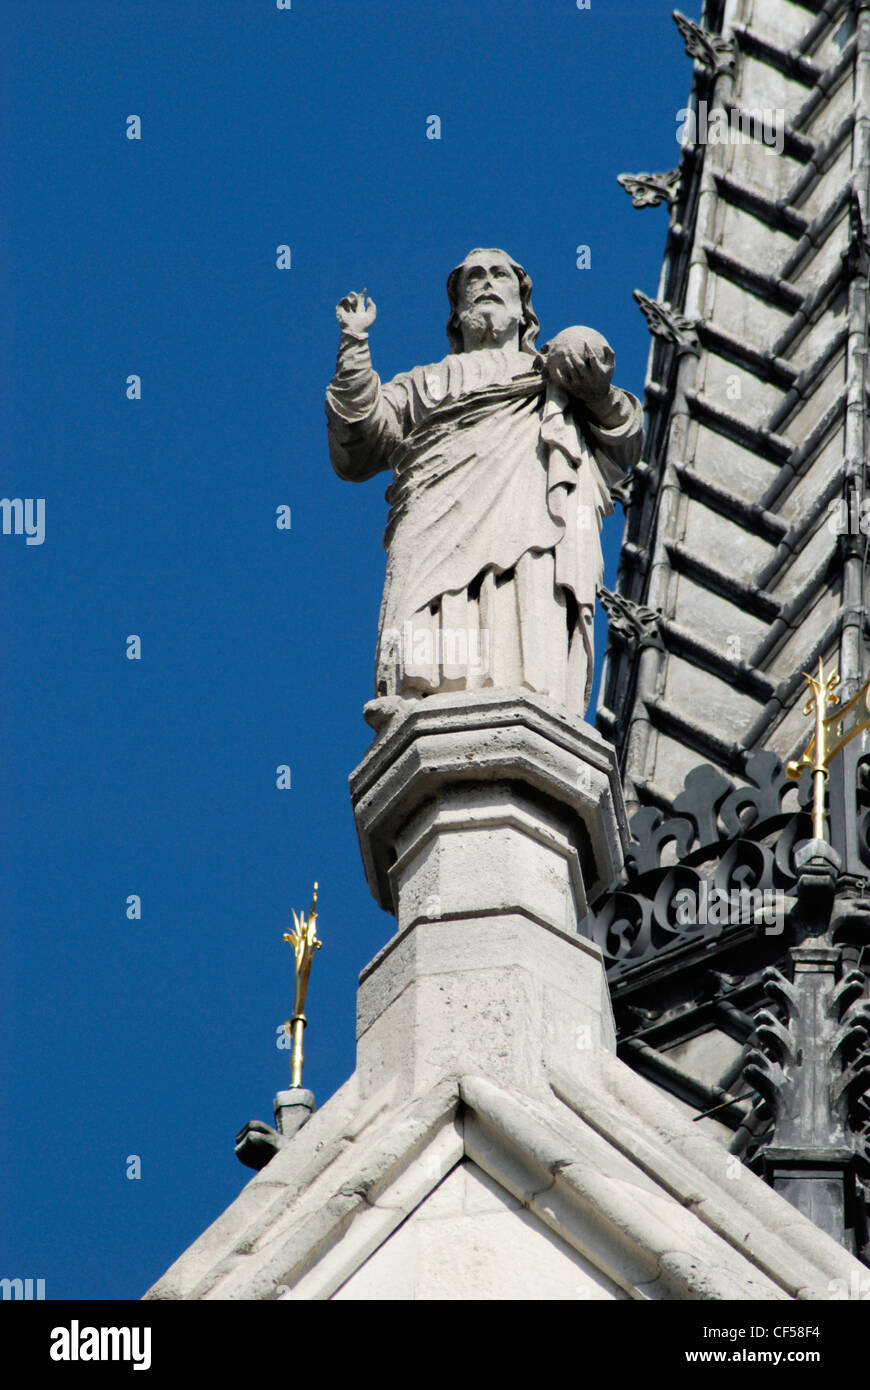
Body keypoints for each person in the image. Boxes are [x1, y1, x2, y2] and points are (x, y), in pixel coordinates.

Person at [325, 248, 642, 726]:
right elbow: (363, 442)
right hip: (433, 515)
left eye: (499, 274)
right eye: (474, 276)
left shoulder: (551, 376)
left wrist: (595, 390)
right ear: (457, 309)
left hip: (533, 512)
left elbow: (624, 442)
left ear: (522, 304)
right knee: (423, 589)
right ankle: (417, 693)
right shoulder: (424, 383)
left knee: (527, 579)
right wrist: (355, 348)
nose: (487, 282)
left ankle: (535, 689)